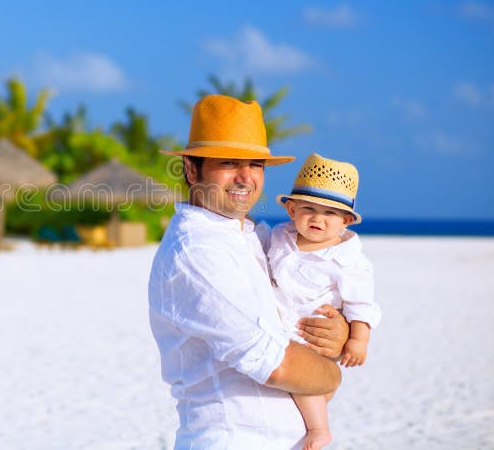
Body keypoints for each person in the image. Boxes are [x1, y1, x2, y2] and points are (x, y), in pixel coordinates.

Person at [149, 95, 349, 449]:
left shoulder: (250, 235)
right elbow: (274, 364)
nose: (246, 177)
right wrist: (331, 376)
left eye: (256, 164)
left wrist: (337, 331)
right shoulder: (197, 249)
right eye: (229, 162)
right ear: (191, 170)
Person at [270, 153, 382, 450]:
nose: (318, 218)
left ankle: (320, 429)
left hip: (310, 334)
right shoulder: (279, 236)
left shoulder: (347, 261)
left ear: (345, 221)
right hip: (280, 323)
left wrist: (358, 340)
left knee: (304, 384)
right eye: (308, 208)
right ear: (291, 210)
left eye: (330, 213)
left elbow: (361, 305)